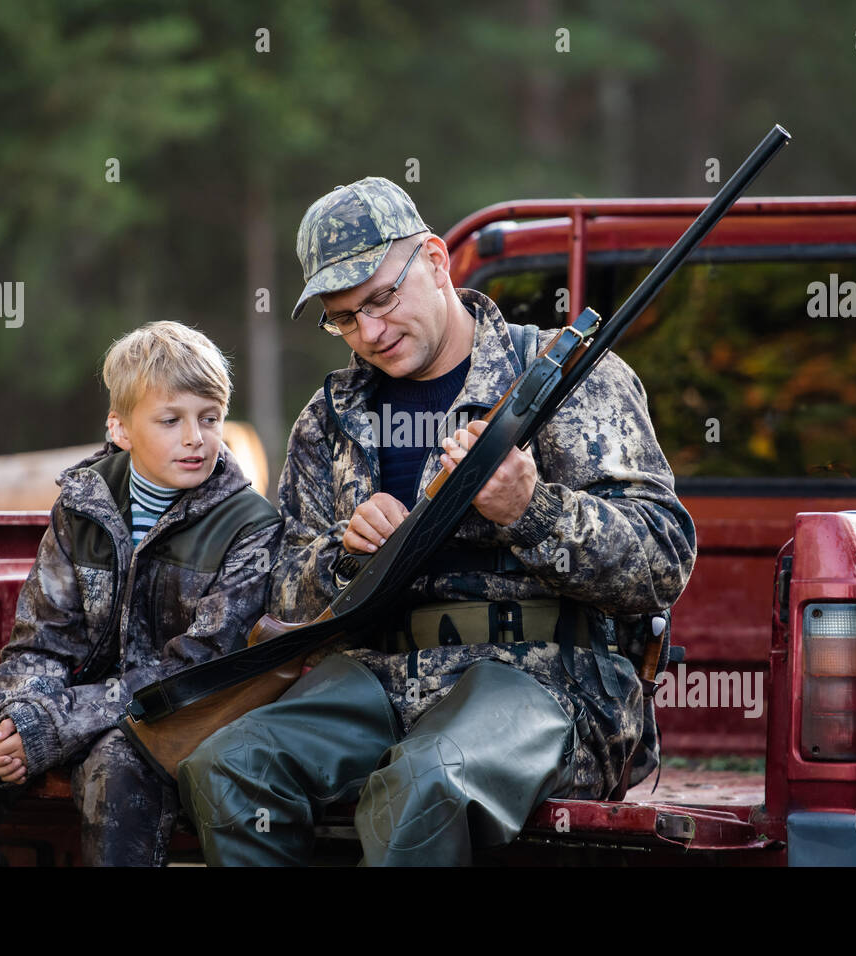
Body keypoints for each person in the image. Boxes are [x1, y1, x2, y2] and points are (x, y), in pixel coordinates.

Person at [177, 177, 696, 865]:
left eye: (381, 299)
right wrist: (344, 554)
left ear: (433, 258)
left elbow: (663, 562)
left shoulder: (569, 379)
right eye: (343, 317)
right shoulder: (330, 418)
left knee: (424, 781)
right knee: (225, 768)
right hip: (377, 679)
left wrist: (530, 510)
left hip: (546, 684)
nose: (370, 332)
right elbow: (283, 597)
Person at [0, 321, 281, 866]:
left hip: (178, 721)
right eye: (170, 420)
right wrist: (18, 717)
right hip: (69, 711)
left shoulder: (250, 526)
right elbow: (40, 639)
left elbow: (193, 672)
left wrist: (51, 726)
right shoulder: (83, 508)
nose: (195, 438)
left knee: (115, 764)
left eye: (210, 419)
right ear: (121, 428)